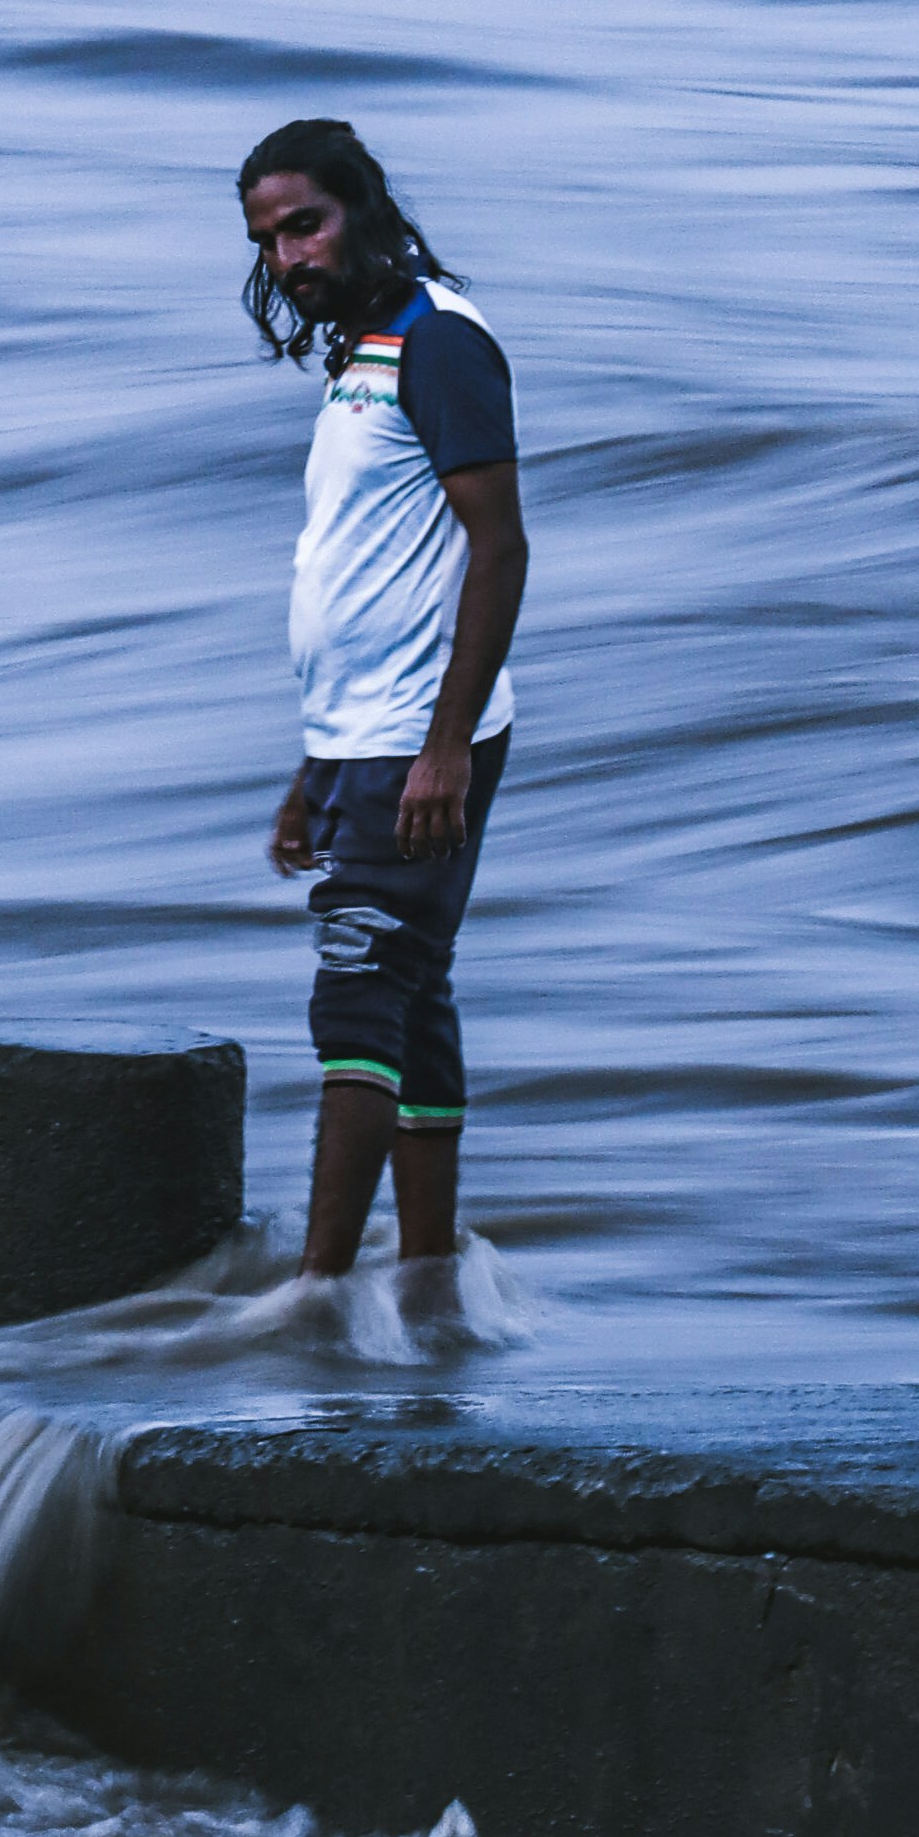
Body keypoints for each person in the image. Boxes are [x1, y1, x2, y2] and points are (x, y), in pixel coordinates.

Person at [238, 120, 528, 1283]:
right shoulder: (359, 354)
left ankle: (316, 1296)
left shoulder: (438, 341)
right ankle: (425, 1280)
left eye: (305, 224)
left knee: (358, 992)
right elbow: (369, 572)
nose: (290, 258)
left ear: (363, 205)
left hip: (423, 735)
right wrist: (314, 769)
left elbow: (498, 548)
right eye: (269, 241)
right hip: (364, 739)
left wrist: (445, 746)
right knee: (412, 995)